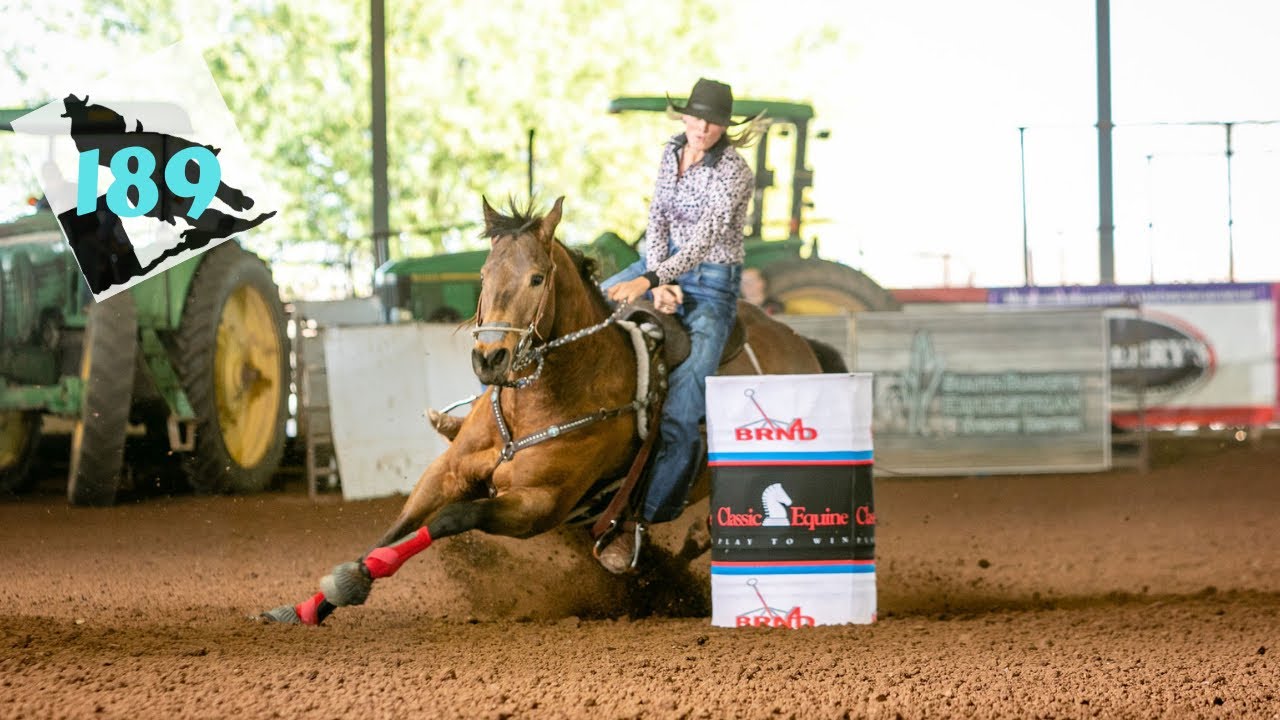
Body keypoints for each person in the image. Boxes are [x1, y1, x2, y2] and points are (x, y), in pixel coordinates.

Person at [597, 77, 761, 573]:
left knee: (683, 412)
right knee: (591, 305)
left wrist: (650, 279)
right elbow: (658, 221)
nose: (704, 127)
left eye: (714, 121)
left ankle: (647, 523)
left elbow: (706, 238)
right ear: (685, 117)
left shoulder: (735, 171)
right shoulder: (670, 153)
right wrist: (656, 279)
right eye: (697, 117)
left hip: (712, 284)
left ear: (724, 126)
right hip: (664, 263)